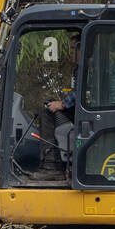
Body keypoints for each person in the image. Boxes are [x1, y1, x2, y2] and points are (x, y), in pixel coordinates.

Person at [39, 36, 80, 174]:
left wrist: (62, 104)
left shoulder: (88, 68)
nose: (71, 51)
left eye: (74, 48)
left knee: (47, 114)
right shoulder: (79, 69)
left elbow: (81, 92)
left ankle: (51, 162)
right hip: (83, 110)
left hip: (87, 113)